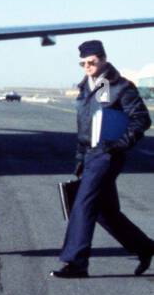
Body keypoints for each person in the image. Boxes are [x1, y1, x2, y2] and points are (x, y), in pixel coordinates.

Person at [53, 40, 154, 278]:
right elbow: (85, 128)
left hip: (107, 155)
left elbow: (141, 119)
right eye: (83, 63)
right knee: (104, 211)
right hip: (90, 155)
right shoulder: (86, 87)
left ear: (104, 59)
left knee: (83, 204)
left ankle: (76, 263)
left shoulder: (120, 87)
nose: (87, 66)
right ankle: (145, 247)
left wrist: (118, 145)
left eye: (92, 62)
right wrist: (80, 158)